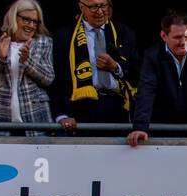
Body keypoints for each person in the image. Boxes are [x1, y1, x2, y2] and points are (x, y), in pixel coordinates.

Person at [127, 11, 187, 146]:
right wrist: (140, 127)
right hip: (163, 128)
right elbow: (145, 91)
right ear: (163, 36)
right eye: (178, 37)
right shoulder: (153, 56)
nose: (184, 42)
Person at [50, 0, 138, 131]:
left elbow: (138, 72)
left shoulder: (124, 33)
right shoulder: (64, 35)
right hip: (79, 109)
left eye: (103, 5)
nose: (100, 12)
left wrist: (116, 67)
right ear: (81, 7)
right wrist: (61, 115)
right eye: (93, 7)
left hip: (117, 107)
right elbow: (56, 80)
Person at [0, 2, 54, 133]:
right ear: (13, 17)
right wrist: (0, 58)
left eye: (35, 22)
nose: (31, 26)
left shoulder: (43, 42)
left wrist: (27, 62)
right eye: (26, 20)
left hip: (35, 119)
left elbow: (48, 79)